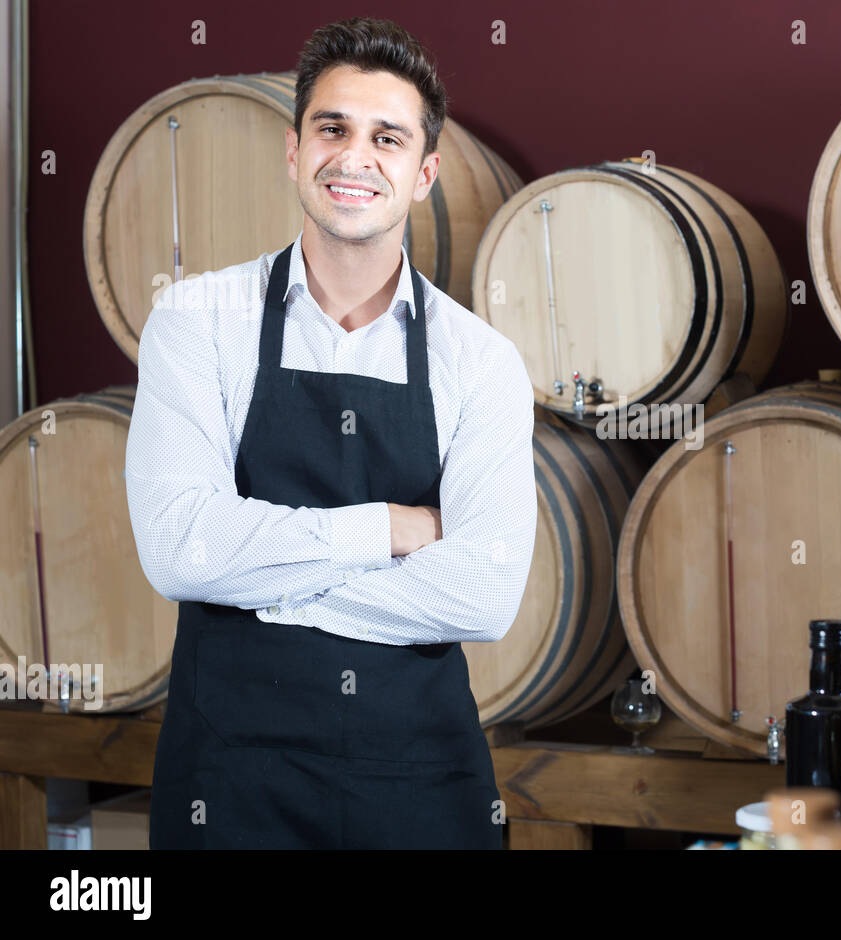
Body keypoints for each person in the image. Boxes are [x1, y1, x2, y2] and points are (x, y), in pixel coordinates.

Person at [124, 16, 535, 849]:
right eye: (332, 128)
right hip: (231, 783)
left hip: (419, 784)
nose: (354, 158)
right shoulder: (197, 321)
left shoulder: (481, 359)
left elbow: (482, 594)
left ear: (424, 174)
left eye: (387, 137)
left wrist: (259, 585)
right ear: (293, 150)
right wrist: (387, 530)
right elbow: (178, 550)